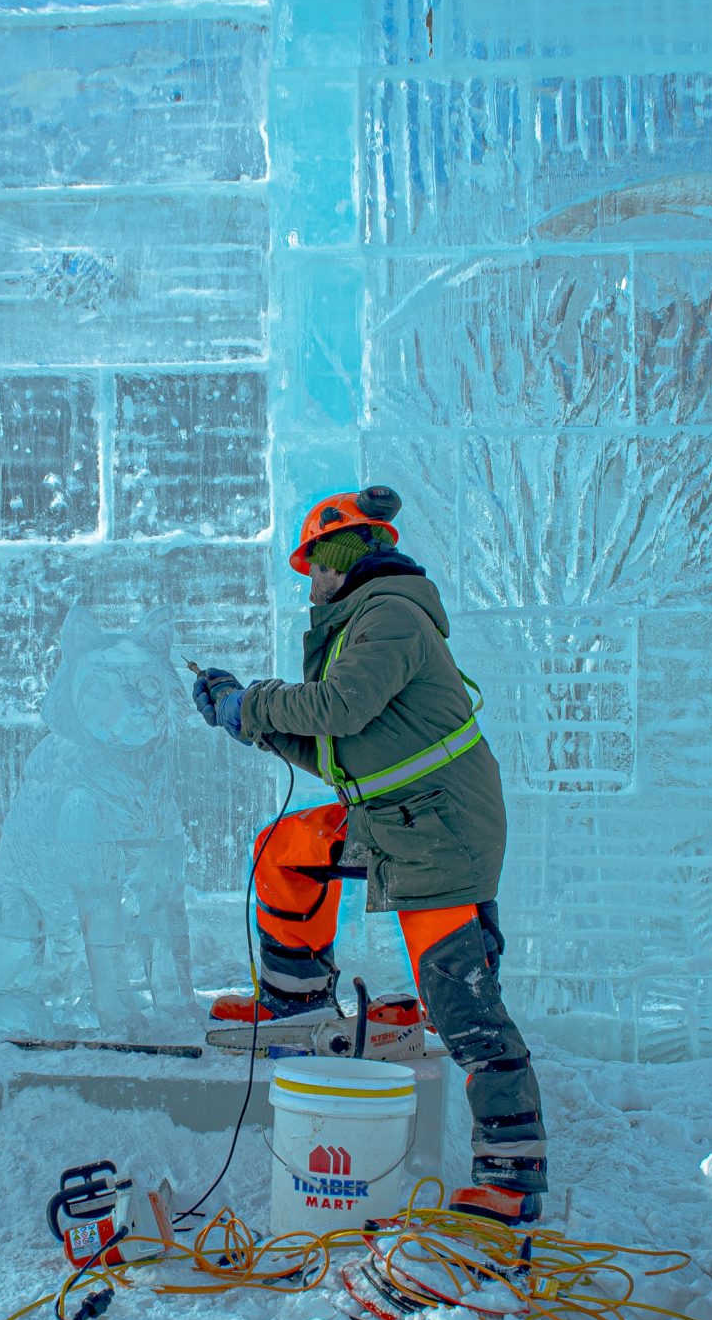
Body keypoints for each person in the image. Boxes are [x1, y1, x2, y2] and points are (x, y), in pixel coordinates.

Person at [192, 486, 546, 1225]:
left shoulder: (389, 615)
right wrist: (241, 718)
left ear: (340, 555)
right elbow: (337, 747)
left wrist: (250, 702)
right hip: (395, 813)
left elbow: (338, 709)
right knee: (284, 849)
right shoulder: (363, 624)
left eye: (313, 565)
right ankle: (295, 996)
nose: (310, 582)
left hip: (440, 828)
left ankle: (511, 1179)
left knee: (460, 998)